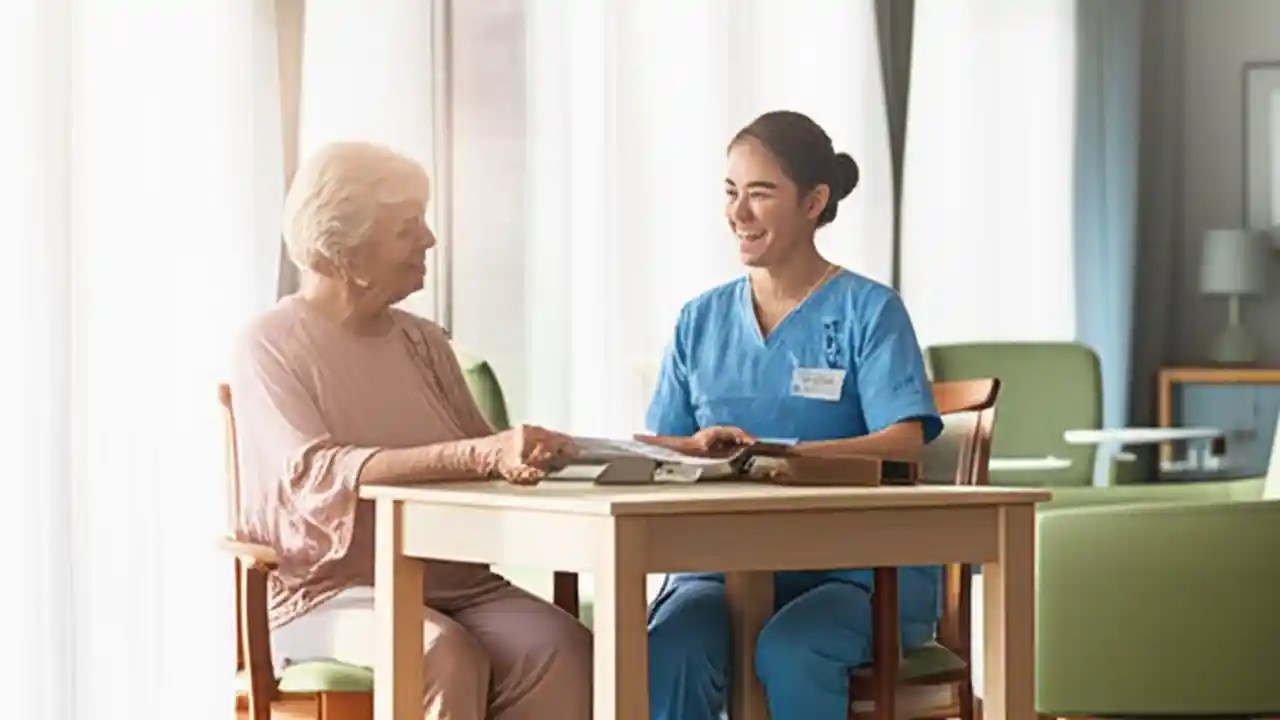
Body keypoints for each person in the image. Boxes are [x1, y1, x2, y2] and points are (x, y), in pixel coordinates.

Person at [230, 141, 591, 720]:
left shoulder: (423, 341)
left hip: (456, 582)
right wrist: (482, 454)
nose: (429, 239)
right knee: (442, 654)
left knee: (562, 648)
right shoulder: (270, 343)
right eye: (406, 228)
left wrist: (645, 452)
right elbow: (318, 473)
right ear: (343, 247)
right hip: (327, 594)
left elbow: (484, 459)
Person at [641, 111, 943, 720]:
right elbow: (660, 445)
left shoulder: (870, 310)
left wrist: (786, 459)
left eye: (760, 193)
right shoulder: (698, 320)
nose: (738, 214)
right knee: (671, 644)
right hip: (721, 565)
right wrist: (699, 445)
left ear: (814, 202)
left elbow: (905, 441)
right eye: (731, 192)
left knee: (790, 649)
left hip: (860, 572)